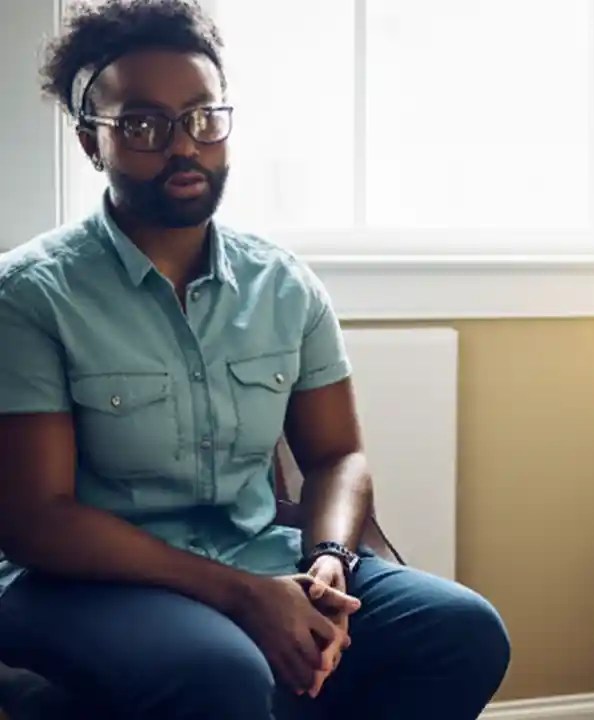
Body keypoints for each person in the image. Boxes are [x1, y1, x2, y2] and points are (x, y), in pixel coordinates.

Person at [0, 2, 509, 718]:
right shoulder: (30, 296)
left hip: (258, 554)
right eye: (144, 125)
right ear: (92, 143)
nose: (184, 146)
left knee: (462, 632)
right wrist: (243, 596)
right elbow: (36, 520)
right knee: (223, 671)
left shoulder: (282, 282)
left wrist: (328, 559)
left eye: (204, 118)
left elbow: (337, 456)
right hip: (80, 582)